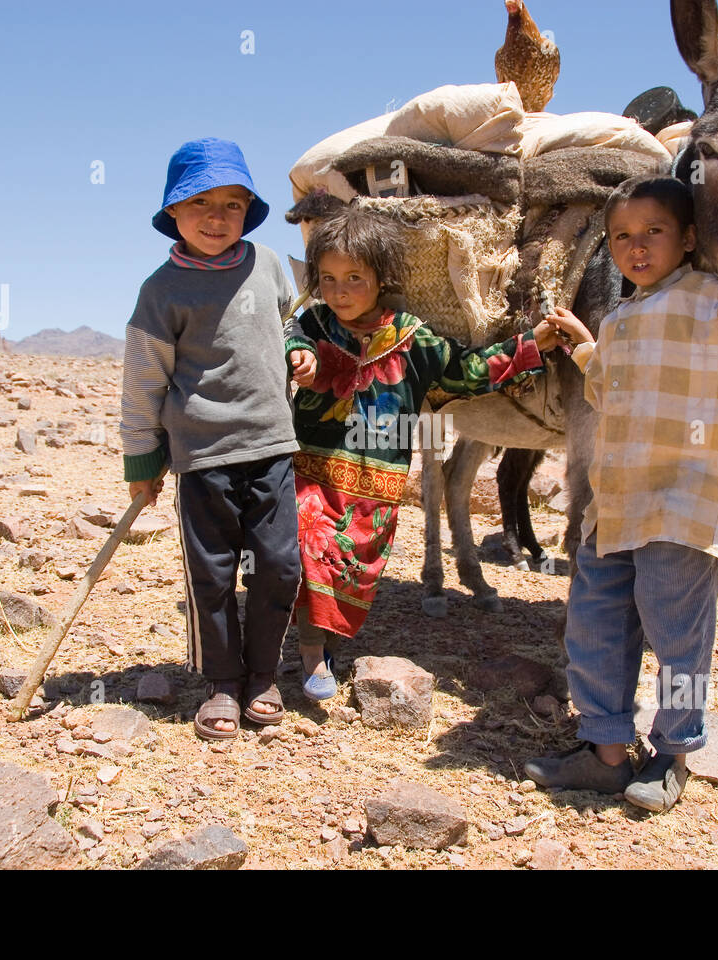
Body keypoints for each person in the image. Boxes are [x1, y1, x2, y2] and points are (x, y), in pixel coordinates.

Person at [524, 174, 718, 812]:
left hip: (687, 502)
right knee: (593, 623)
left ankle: (673, 752)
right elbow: (609, 391)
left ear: (687, 238)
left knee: (676, 629)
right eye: (622, 236)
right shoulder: (621, 317)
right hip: (618, 502)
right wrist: (584, 346)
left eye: (653, 231)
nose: (637, 246)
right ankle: (604, 752)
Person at [285, 204, 590, 701]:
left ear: (381, 278)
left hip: (375, 490)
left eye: (354, 278)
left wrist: (529, 344)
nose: (340, 291)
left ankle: (327, 638)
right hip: (311, 471)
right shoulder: (314, 326)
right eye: (328, 278)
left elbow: (465, 371)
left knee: (350, 572)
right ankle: (310, 649)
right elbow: (287, 334)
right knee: (308, 550)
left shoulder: (411, 337)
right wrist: (295, 353)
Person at [120, 137, 318, 741]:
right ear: (173, 213)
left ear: (248, 212)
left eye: (232, 204)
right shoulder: (161, 291)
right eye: (199, 202)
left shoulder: (268, 265)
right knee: (212, 576)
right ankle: (222, 684)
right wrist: (143, 458)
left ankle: (263, 675)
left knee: (279, 567)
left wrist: (300, 350)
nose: (216, 217)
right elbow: (143, 380)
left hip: (272, 448)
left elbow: (290, 323)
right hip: (203, 457)